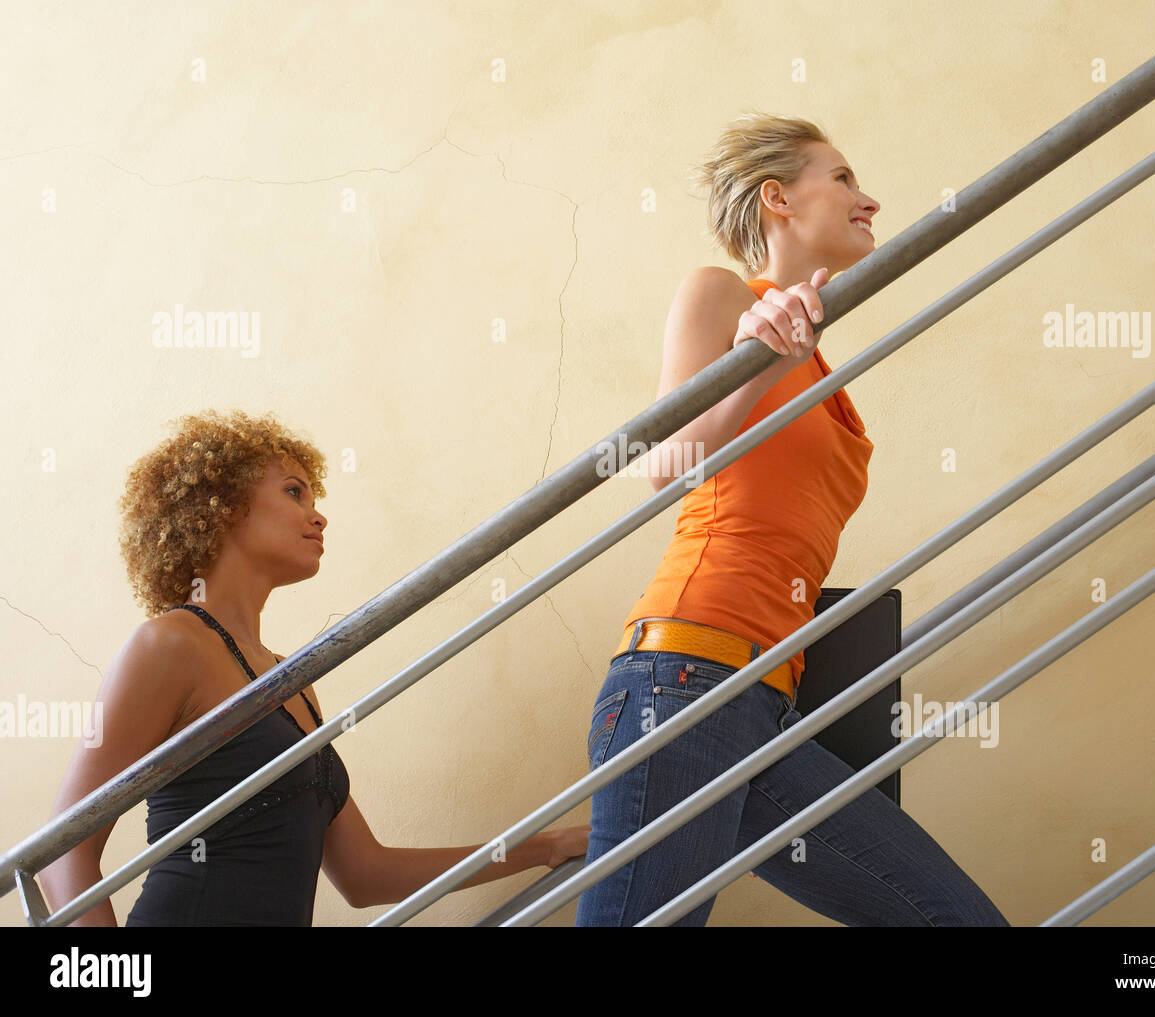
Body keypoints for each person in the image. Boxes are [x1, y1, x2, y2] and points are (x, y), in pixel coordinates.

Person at [576, 113, 1009, 926]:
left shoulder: (811, 353)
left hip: (763, 705)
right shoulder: (725, 297)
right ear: (778, 197)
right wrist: (752, 362)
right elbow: (657, 466)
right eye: (843, 178)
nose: (869, 198)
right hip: (683, 682)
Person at [39, 409, 587, 926]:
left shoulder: (295, 682)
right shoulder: (170, 644)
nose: (317, 515)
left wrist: (545, 847)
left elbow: (366, 875)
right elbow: (62, 855)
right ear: (223, 505)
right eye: (294, 492)